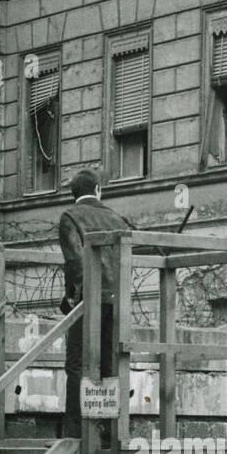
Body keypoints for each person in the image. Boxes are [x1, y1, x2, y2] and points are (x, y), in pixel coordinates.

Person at [57, 170, 132, 439]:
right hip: (116, 300)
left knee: (77, 363)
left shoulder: (70, 217)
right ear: (99, 190)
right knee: (110, 363)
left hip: (87, 300)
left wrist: (71, 296)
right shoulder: (117, 218)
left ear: (74, 193)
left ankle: (76, 431)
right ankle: (108, 429)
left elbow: (75, 262)